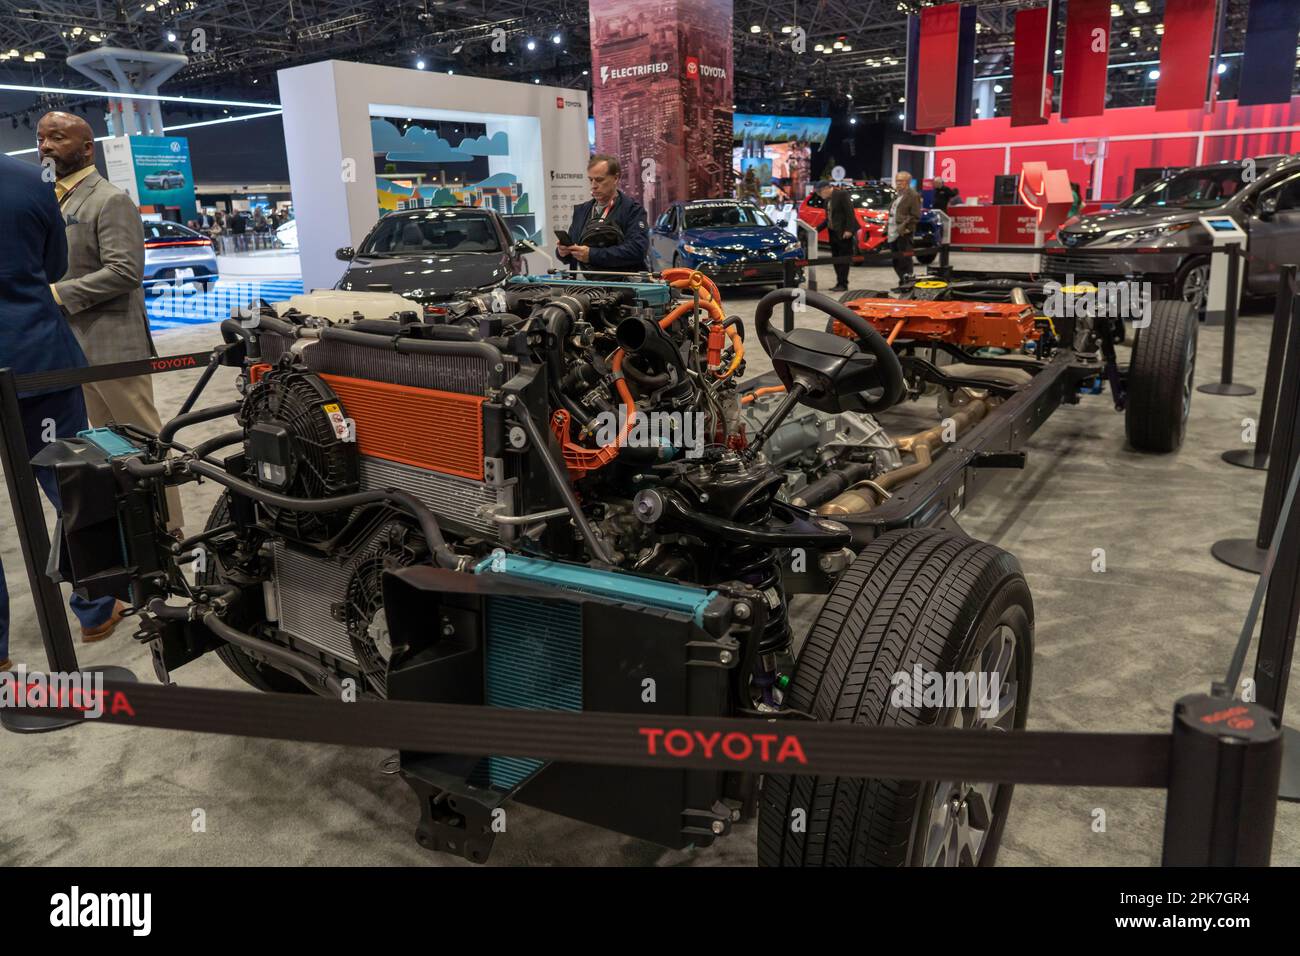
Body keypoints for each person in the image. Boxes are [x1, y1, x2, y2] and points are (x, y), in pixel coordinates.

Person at [0, 154, 126, 669]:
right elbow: (53, 268)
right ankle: (96, 609)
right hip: (37, 359)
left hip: (36, 362)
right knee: (68, 485)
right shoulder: (31, 181)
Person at [36, 110, 183, 533]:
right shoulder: (50, 199)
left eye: (57, 138)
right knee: (107, 447)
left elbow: (124, 272)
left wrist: (57, 295)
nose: (45, 146)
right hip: (70, 345)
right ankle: (137, 539)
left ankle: (171, 532)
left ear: (86, 148)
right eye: (42, 138)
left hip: (114, 345)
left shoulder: (109, 199)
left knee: (145, 443)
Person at [557, 154, 649, 274]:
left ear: (616, 178)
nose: (593, 186)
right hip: (582, 287)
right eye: (591, 180)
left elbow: (637, 251)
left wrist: (592, 255)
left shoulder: (632, 210)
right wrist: (562, 252)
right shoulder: (582, 211)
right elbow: (572, 252)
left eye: (599, 180)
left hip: (621, 286)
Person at [816, 181, 856, 292]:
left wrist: (849, 230)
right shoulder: (827, 200)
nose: (820, 195)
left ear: (825, 189)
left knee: (843, 259)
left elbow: (850, 213)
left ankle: (843, 284)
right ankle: (839, 282)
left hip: (843, 233)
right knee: (836, 259)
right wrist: (816, 230)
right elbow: (828, 219)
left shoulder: (841, 194)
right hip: (833, 233)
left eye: (820, 193)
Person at [887, 170, 922, 285]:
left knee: (905, 259)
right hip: (893, 231)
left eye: (901, 181)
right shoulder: (897, 194)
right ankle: (902, 281)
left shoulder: (913, 195)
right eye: (897, 180)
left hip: (904, 232)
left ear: (907, 182)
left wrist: (908, 228)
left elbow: (916, 215)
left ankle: (907, 284)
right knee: (896, 258)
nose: (898, 183)